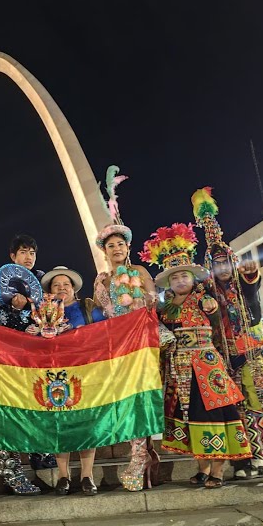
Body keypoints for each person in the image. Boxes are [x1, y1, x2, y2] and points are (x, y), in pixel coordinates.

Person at [142, 221, 253, 488]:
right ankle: (202, 467)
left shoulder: (205, 297)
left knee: (215, 414)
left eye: (184, 276)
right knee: (189, 415)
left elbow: (220, 308)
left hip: (206, 367)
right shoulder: (164, 308)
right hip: (178, 369)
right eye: (175, 277)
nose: (180, 280)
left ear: (193, 278)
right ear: (169, 282)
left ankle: (217, 471)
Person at [192, 187, 263, 486]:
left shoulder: (242, 284)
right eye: (216, 263)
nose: (222, 268)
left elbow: (252, 286)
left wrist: (251, 274)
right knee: (241, 410)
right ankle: (251, 459)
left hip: (253, 355)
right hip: (226, 360)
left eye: (225, 262)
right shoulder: (208, 293)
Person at [89, 165, 161, 493]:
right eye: (111, 246)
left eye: (120, 244)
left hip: (141, 341)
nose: (116, 249)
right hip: (117, 344)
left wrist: (143, 299)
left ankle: (141, 454)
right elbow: (100, 312)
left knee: (141, 396)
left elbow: (153, 302)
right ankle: (141, 452)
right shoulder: (101, 280)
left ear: (127, 248)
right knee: (125, 399)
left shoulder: (141, 272)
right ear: (104, 251)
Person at [0, 233, 53, 490]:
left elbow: (51, 314)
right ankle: (11, 469)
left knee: (39, 401)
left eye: (32, 252)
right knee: (8, 408)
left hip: (37, 356)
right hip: (7, 356)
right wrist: (15, 308)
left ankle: (41, 454)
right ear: (12, 256)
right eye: (23, 252)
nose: (28, 257)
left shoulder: (42, 279)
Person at [38, 265, 107, 494]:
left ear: (74, 288)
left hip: (85, 373)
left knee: (87, 424)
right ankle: (63, 476)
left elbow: (105, 331)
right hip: (55, 375)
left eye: (66, 284)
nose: (61, 288)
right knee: (59, 425)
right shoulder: (43, 312)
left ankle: (87, 475)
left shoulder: (87, 308)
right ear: (49, 291)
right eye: (56, 285)